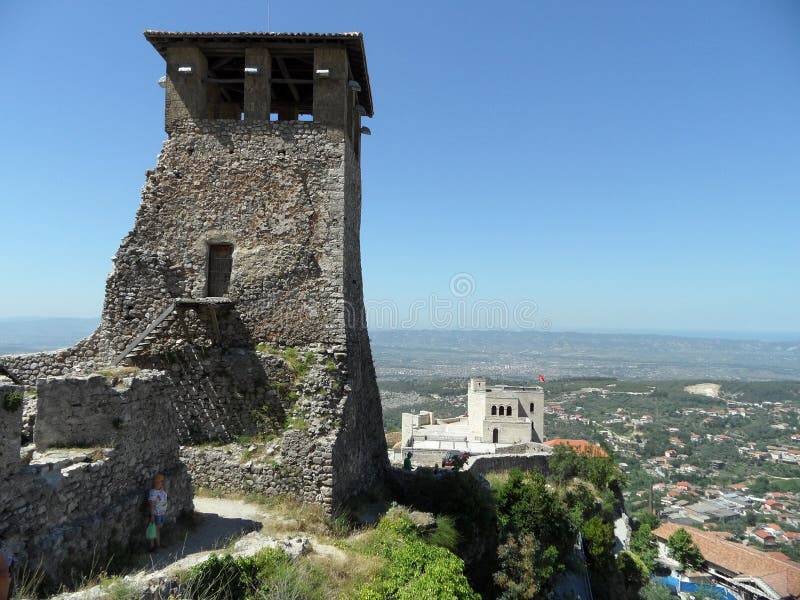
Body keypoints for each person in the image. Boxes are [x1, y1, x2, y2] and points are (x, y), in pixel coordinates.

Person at [148, 473, 168, 551]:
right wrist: (152, 516)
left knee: (158, 529)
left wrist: (163, 487)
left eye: (163, 481)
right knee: (154, 529)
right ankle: (152, 547)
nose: (162, 483)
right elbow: (151, 505)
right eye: (161, 481)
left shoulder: (162, 490)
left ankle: (158, 544)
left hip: (162, 513)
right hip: (157, 514)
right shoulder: (153, 492)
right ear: (156, 482)